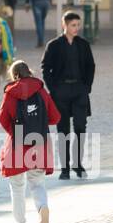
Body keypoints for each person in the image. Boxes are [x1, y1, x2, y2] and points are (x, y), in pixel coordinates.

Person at [0, 60, 61, 223]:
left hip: (18, 145)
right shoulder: (41, 91)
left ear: (15, 75)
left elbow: (3, 119)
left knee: (17, 188)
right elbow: (55, 117)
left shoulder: (10, 93)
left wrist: (16, 132)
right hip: (39, 144)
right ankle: (42, 208)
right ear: (29, 72)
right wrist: (39, 122)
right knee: (37, 183)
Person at [41, 11, 96, 179]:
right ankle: (64, 168)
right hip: (61, 92)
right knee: (62, 130)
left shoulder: (83, 44)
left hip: (79, 90)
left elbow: (90, 66)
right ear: (64, 25)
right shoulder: (54, 45)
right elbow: (45, 67)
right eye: (73, 25)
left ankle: (78, 165)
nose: (76, 28)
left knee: (80, 127)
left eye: (78, 25)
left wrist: (87, 87)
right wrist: (53, 89)